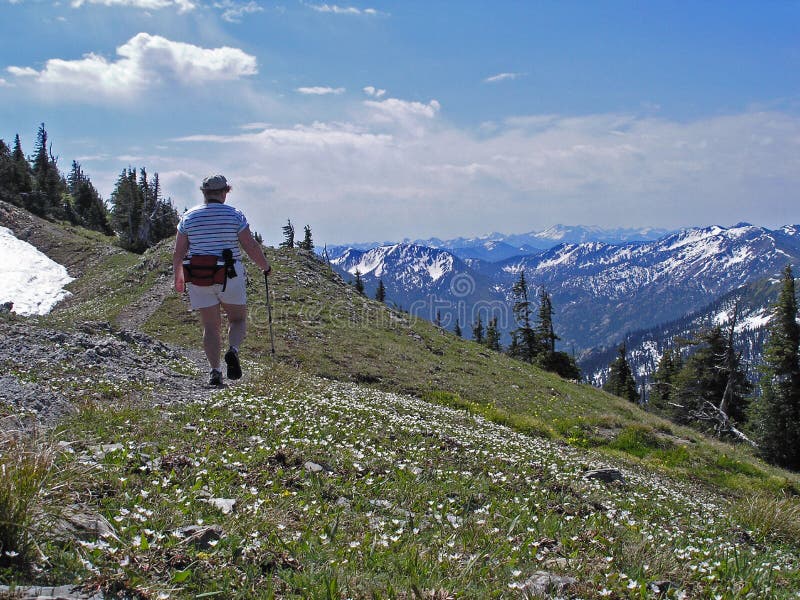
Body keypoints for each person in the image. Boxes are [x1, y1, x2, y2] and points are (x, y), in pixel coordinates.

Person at [173, 174, 271, 386]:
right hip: (229, 273)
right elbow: (250, 245)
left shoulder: (188, 217)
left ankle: (215, 371)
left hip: (198, 276)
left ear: (204, 193)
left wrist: (178, 279)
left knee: (210, 325)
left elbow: (178, 253)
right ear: (225, 192)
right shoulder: (234, 215)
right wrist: (265, 266)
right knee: (237, 319)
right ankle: (233, 350)